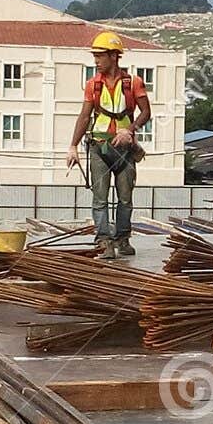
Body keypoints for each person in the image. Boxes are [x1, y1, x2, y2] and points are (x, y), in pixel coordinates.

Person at [67, 31, 151, 260]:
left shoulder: (133, 83)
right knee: (100, 198)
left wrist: (129, 130)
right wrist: (73, 146)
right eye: (95, 56)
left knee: (125, 198)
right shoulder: (93, 85)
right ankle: (104, 241)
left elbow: (146, 112)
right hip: (99, 147)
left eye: (100, 56)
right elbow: (84, 117)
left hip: (124, 149)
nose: (96, 60)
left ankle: (122, 239)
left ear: (114, 56)